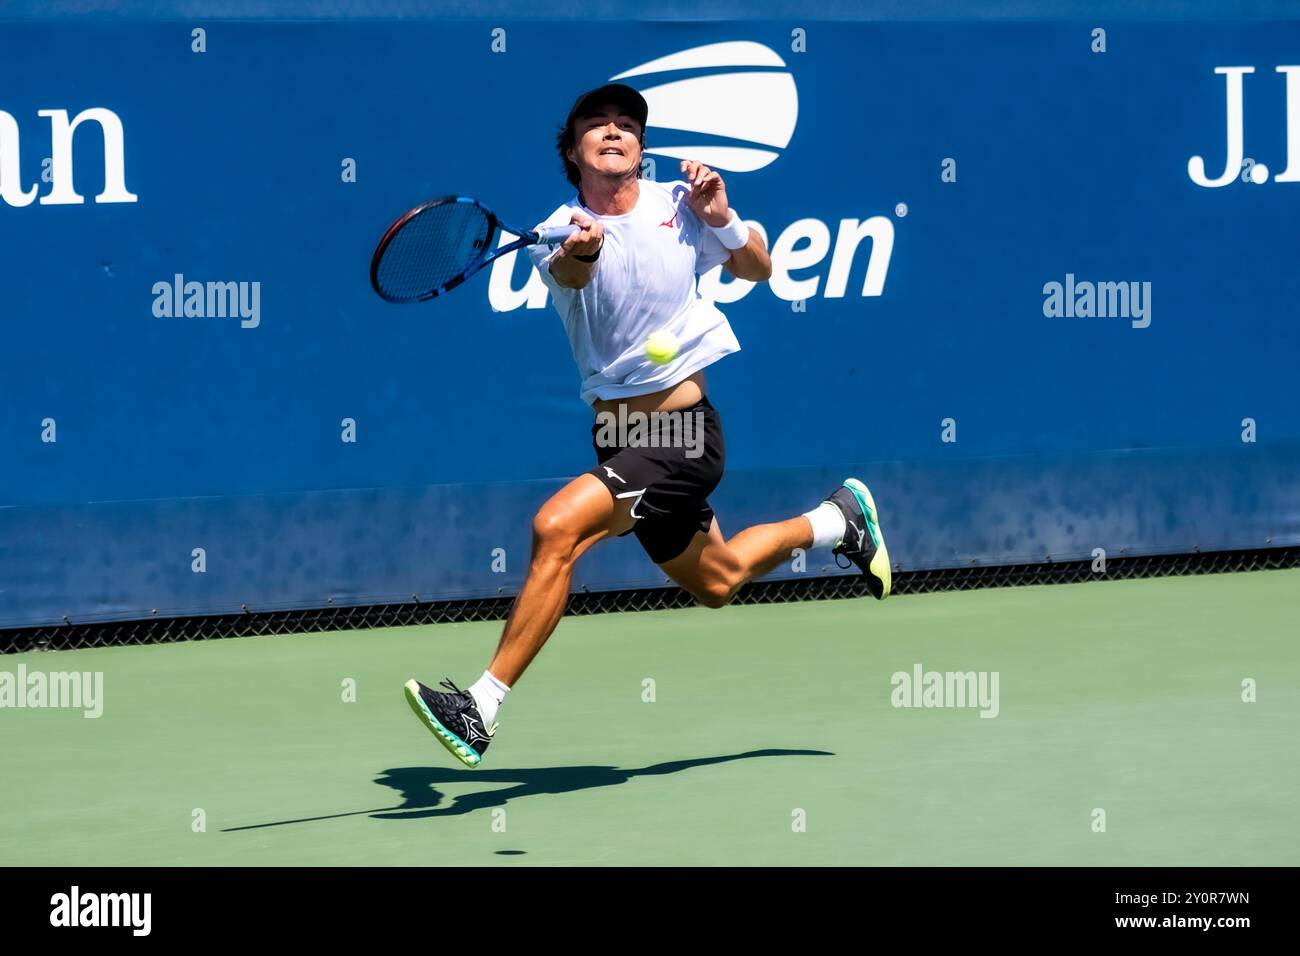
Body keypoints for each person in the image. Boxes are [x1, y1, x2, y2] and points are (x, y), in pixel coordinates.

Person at [404, 83, 890, 768]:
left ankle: (481, 705)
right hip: (619, 439)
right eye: (596, 124)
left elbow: (758, 269)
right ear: (572, 149)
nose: (614, 131)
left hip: (683, 435)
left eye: (627, 124)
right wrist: (585, 249)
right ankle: (839, 520)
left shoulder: (680, 207)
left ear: (641, 148)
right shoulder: (559, 230)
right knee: (717, 582)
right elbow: (572, 277)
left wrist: (721, 219)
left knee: (555, 527)